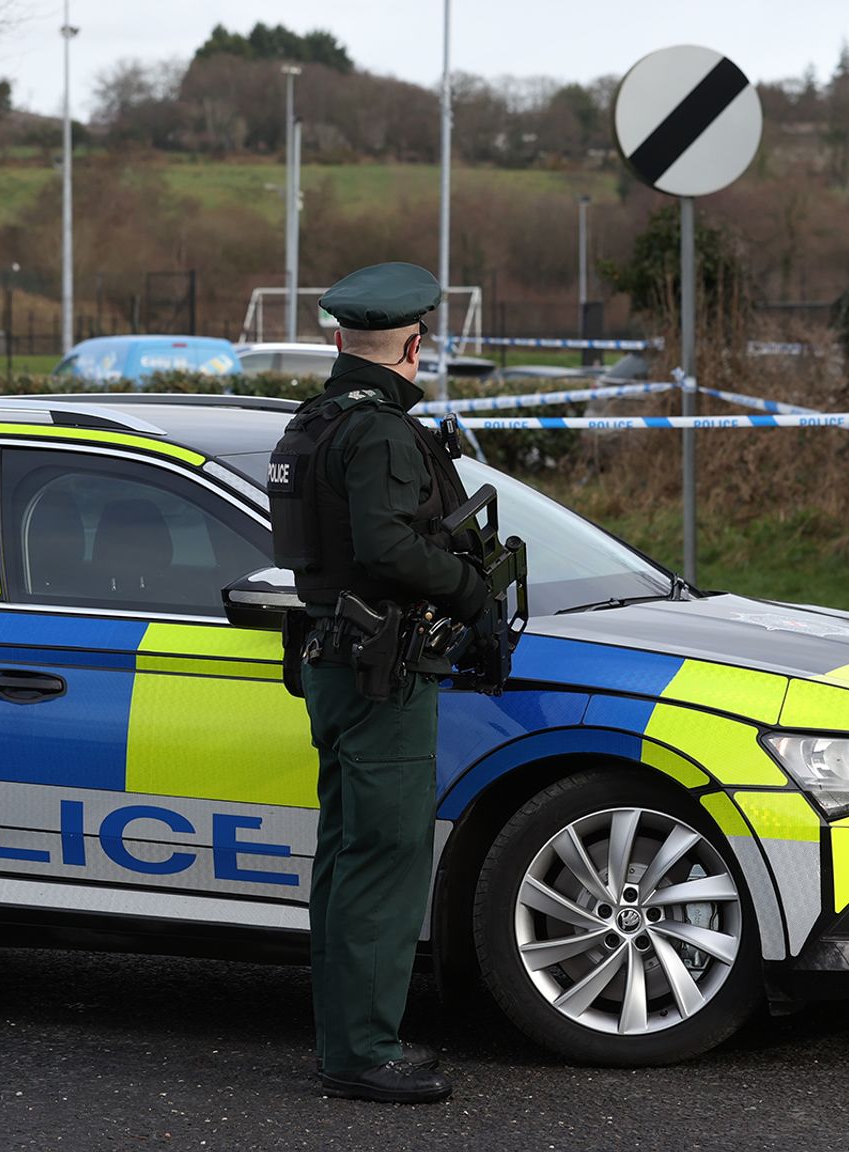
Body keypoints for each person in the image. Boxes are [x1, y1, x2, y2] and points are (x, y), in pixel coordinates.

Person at [267, 262, 492, 1105]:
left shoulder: (315, 422)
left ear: (337, 340)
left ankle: (352, 1037)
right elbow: (389, 548)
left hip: (335, 658)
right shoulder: (383, 434)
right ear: (415, 345)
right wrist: (470, 592)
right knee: (384, 860)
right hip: (380, 669)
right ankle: (363, 1053)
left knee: (347, 856)